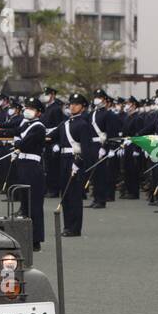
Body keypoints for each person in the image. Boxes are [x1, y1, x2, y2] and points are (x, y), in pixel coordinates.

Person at [9, 96, 47, 251]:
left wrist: (16, 143)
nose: (28, 111)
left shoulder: (38, 127)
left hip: (32, 166)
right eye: (27, 108)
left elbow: (23, 143)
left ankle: (36, 240)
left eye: (31, 108)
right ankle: (25, 237)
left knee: (34, 204)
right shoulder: (26, 124)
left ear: (38, 112)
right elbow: (14, 131)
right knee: (24, 203)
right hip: (23, 165)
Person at [58, 95, 96, 237]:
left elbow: (86, 148)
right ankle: (67, 225)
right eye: (71, 104)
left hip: (75, 161)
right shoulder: (66, 123)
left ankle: (74, 228)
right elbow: (53, 136)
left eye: (76, 104)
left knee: (74, 196)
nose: (72, 106)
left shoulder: (83, 124)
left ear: (83, 107)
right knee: (65, 195)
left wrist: (78, 163)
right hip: (64, 160)